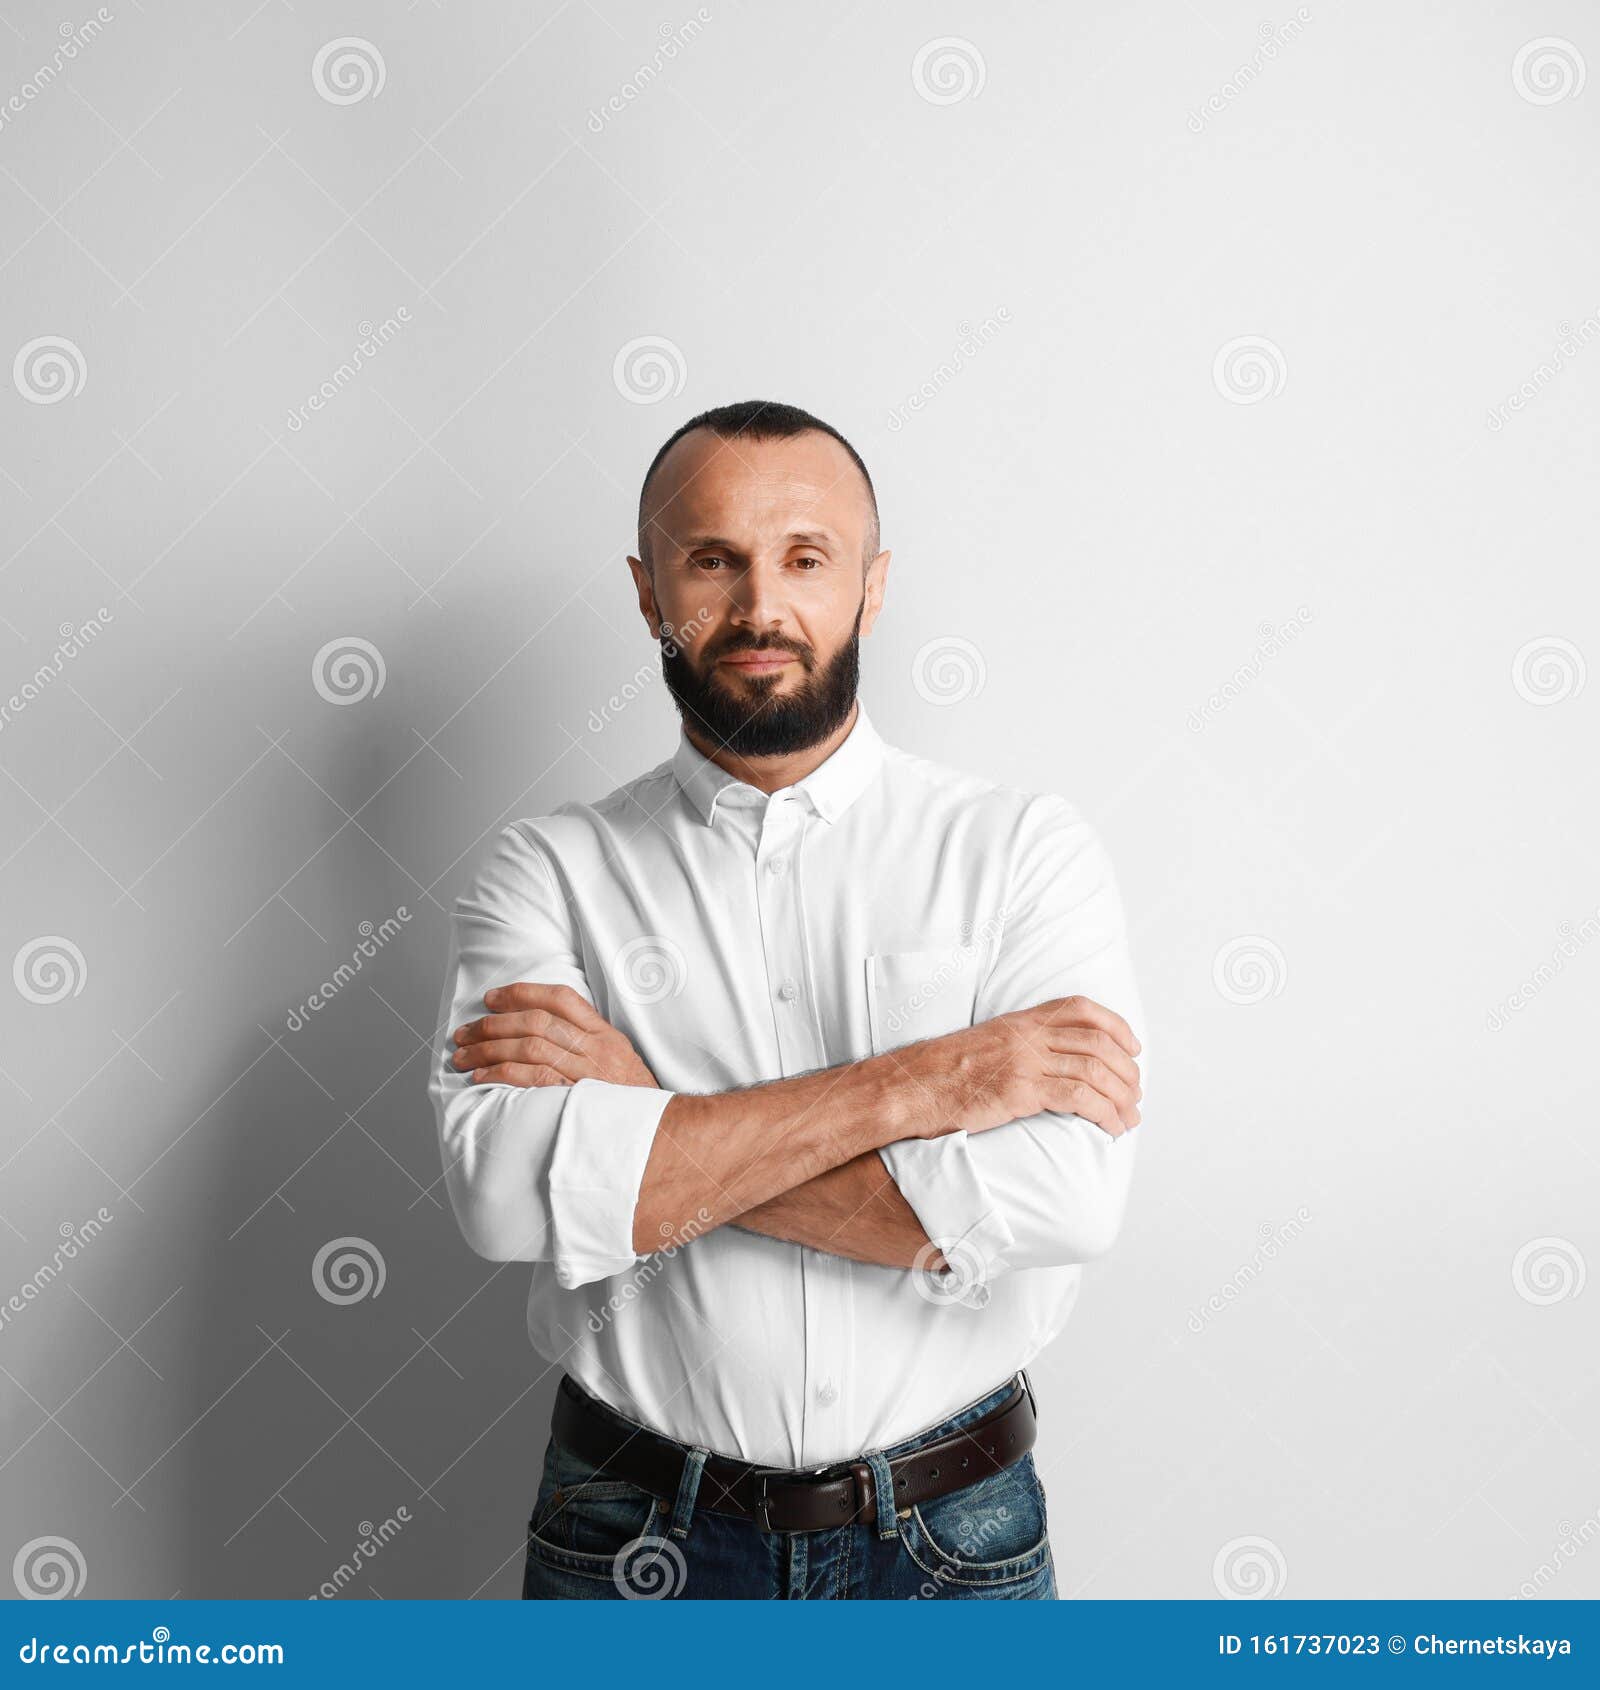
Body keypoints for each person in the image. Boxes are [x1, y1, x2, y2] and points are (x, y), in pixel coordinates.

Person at [428, 399, 1146, 1600]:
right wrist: (933, 1082)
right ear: (650, 593)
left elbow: (1066, 1203)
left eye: (805, 559)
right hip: (629, 1538)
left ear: (870, 586)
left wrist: (641, 1126)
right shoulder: (545, 870)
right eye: (713, 561)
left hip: (952, 1542)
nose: (761, 606)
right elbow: (505, 1202)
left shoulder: (1021, 849)